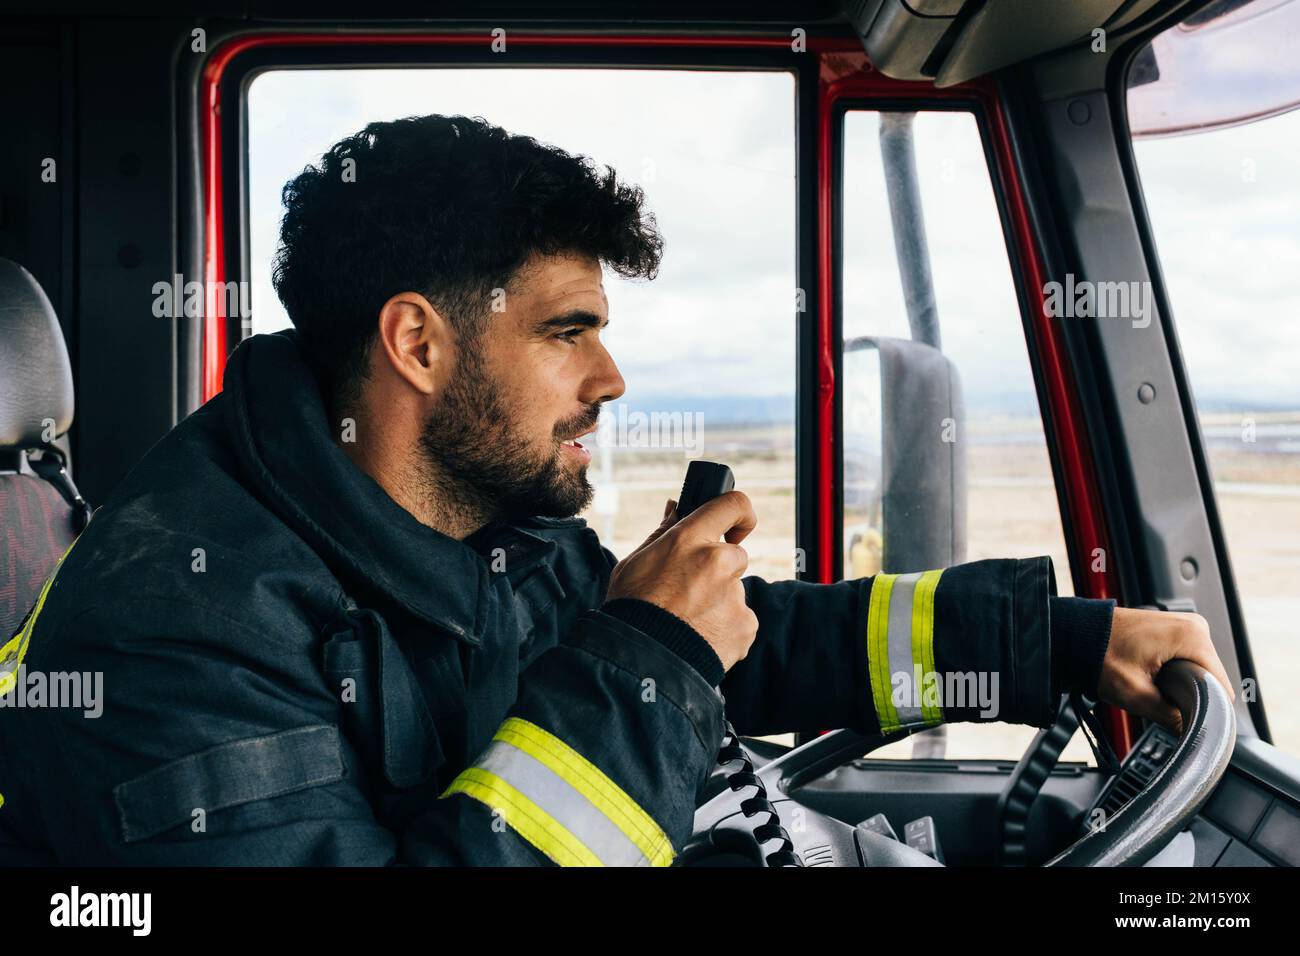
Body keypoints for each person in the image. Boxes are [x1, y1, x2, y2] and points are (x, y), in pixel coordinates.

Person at [0, 114, 1233, 866]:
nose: (611, 376)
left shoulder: (472, 515)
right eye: (567, 330)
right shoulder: (178, 629)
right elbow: (650, 669)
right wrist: (644, 649)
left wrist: (1058, 641)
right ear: (419, 346)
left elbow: (739, 648)